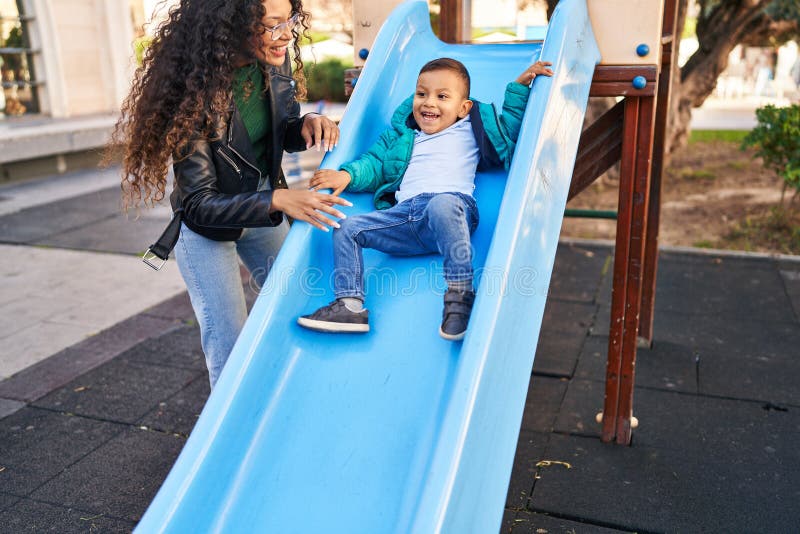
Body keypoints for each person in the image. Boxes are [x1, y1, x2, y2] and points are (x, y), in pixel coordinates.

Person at [110, 0, 350, 387]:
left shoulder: (274, 62)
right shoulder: (193, 94)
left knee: (302, 301)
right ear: (233, 27)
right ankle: (230, 439)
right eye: (272, 25)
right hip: (207, 227)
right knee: (229, 346)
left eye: (288, 21)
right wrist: (276, 200)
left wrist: (306, 123)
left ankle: (289, 391)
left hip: (260, 205)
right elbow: (199, 204)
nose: (286, 34)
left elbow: (280, 125)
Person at [297, 57, 553, 340]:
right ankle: (350, 306)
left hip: (450, 211)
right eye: (422, 94)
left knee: (441, 204)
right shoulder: (403, 136)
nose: (429, 103)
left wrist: (518, 88)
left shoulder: (472, 128)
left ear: (463, 107)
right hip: (403, 220)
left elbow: (508, 134)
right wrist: (347, 176)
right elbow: (375, 161)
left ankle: (459, 294)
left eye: (442, 97)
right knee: (346, 227)